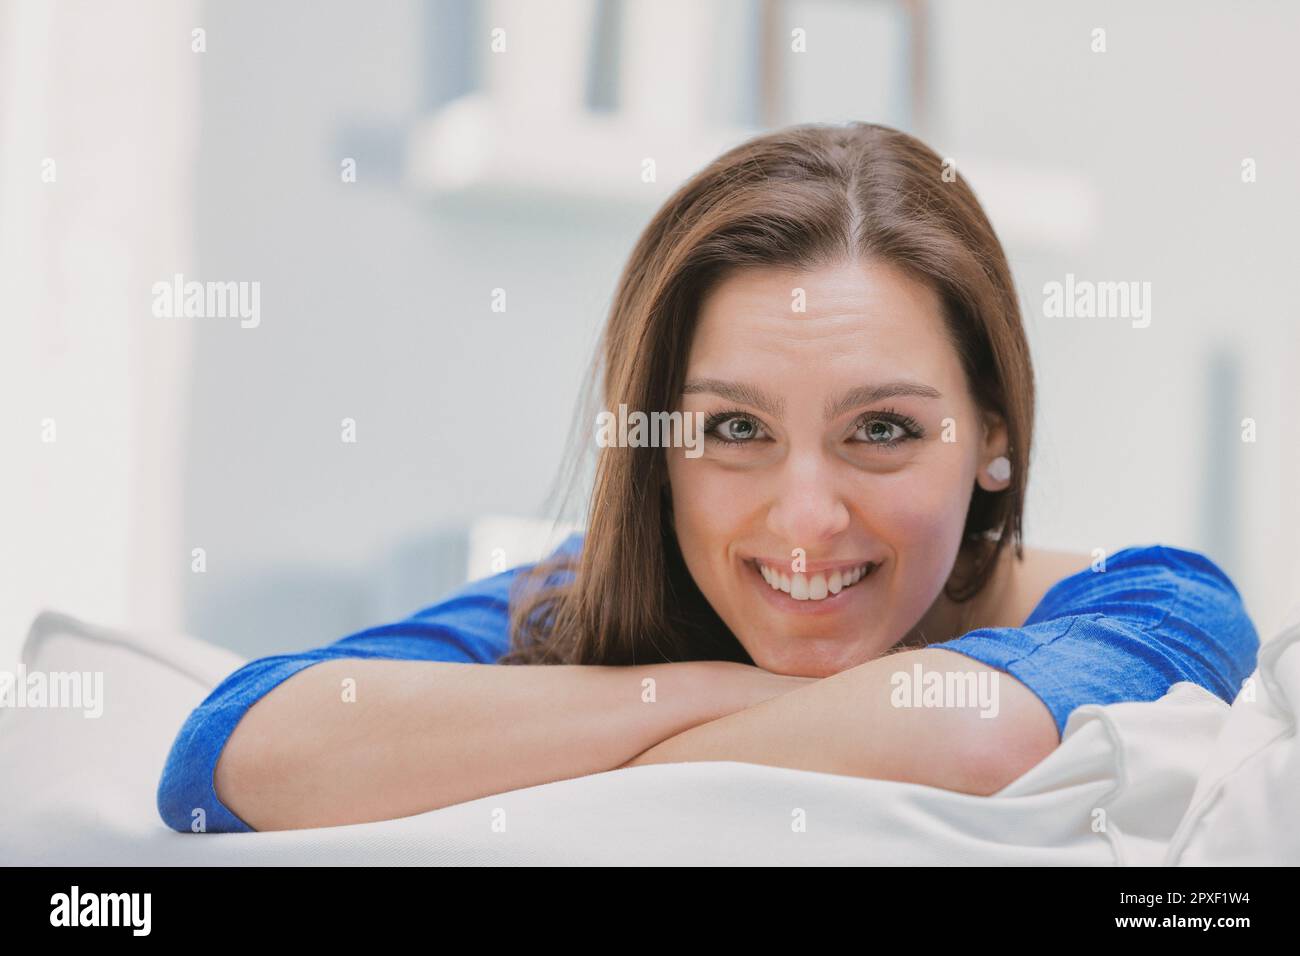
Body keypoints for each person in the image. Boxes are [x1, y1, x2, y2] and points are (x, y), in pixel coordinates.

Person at [157, 122, 1258, 834]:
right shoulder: (583, 599)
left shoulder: (1155, 602)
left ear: (991, 437)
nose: (805, 517)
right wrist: (687, 691)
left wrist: (575, 734)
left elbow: (976, 734)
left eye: (880, 427)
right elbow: (232, 747)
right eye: (733, 426)